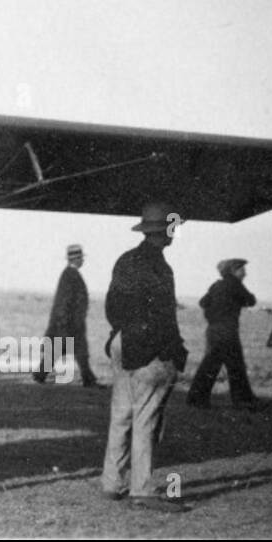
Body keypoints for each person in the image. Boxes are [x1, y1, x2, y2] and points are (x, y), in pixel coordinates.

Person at [101, 202, 189, 512]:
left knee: (122, 415)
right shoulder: (161, 268)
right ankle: (142, 490)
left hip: (122, 342)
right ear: (164, 232)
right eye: (172, 229)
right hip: (148, 349)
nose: (174, 234)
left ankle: (113, 483)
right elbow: (165, 318)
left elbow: (113, 305)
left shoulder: (126, 260)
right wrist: (172, 351)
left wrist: (124, 333)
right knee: (146, 420)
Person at [187, 259, 261, 410]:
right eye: (242, 269)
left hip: (213, 330)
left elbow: (203, 302)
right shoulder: (235, 284)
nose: (245, 272)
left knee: (211, 365)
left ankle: (196, 399)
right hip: (228, 331)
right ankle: (244, 401)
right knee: (235, 366)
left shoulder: (216, 285)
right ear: (233, 271)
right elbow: (251, 301)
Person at [33, 244, 100, 387]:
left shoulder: (69, 274)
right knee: (79, 351)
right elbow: (66, 301)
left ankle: (40, 375)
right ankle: (88, 379)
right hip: (71, 323)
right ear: (76, 259)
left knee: (64, 350)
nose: (83, 260)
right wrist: (66, 323)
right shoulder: (71, 275)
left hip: (69, 323)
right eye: (81, 258)